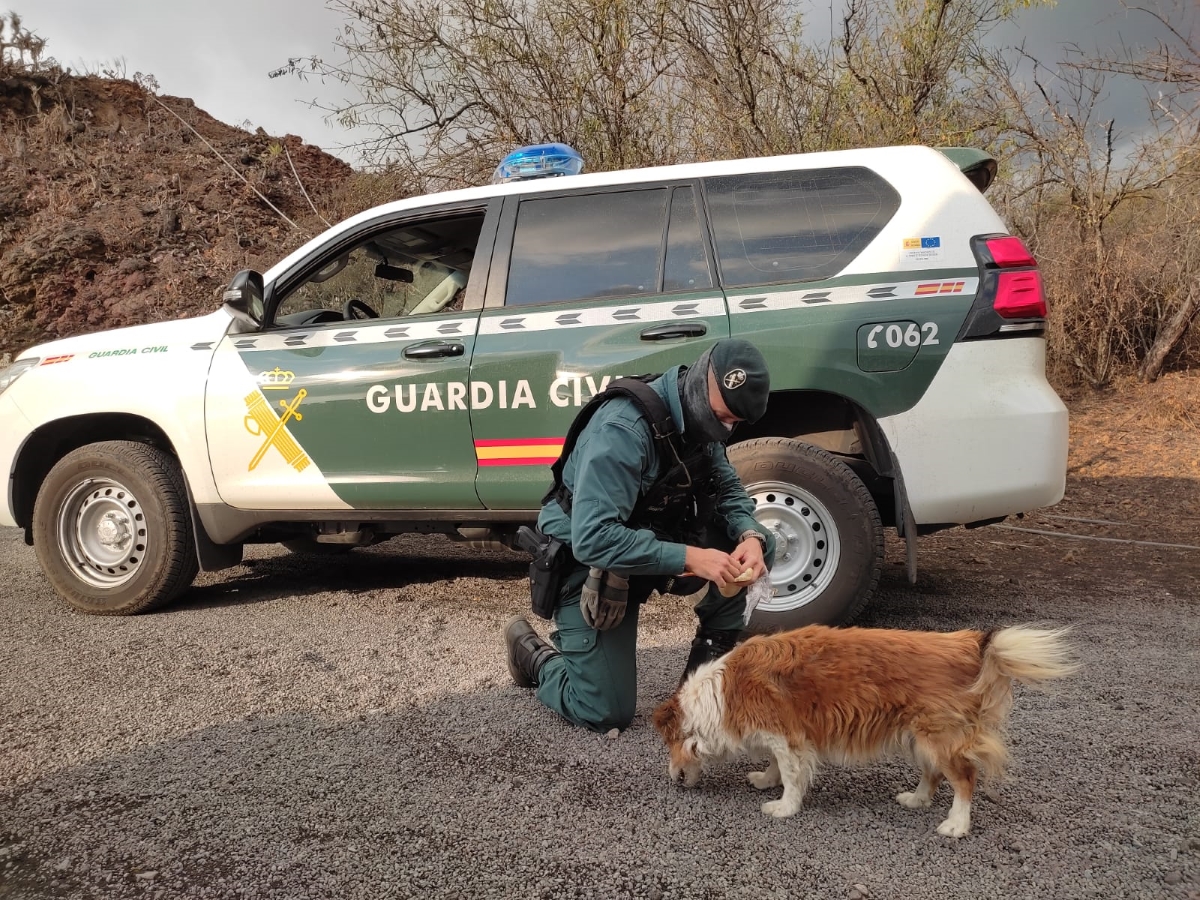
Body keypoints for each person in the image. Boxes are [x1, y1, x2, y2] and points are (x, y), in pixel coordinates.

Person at [504, 339, 776, 733]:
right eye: (720, 417)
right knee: (603, 711)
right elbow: (594, 537)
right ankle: (535, 658)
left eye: (734, 423)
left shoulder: (701, 421)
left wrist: (750, 536)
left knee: (768, 542)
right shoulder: (623, 428)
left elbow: (729, 490)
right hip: (587, 559)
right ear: (699, 384)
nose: (724, 430)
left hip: (648, 544)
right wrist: (691, 558)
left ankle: (703, 678)